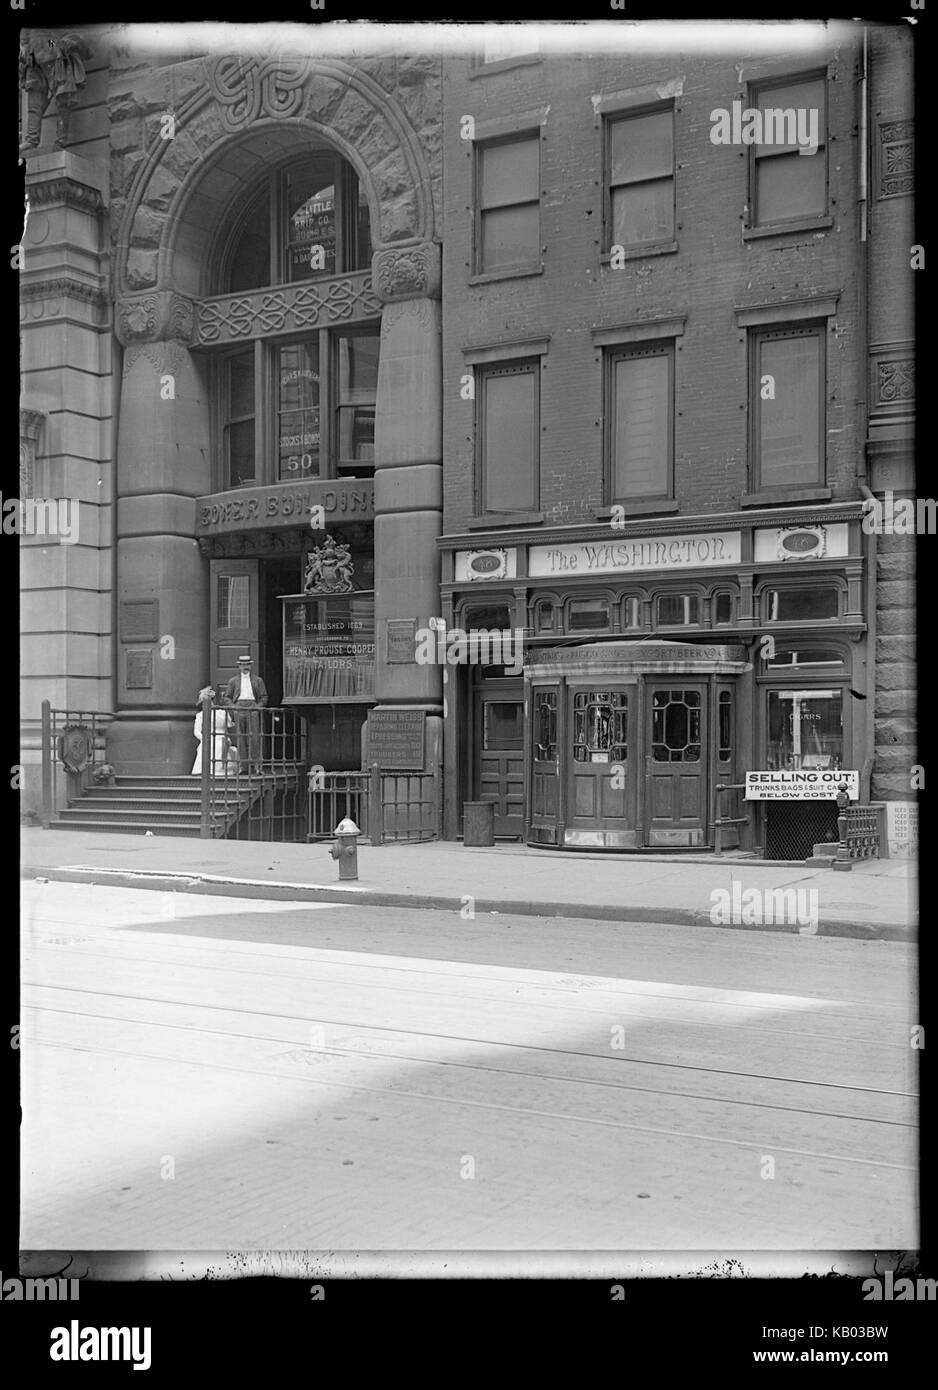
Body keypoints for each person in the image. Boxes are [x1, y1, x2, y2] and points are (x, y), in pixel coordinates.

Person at [223, 655, 268, 773]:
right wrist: (234, 707)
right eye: (243, 665)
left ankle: (257, 766)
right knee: (240, 738)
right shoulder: (233, 681)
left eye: (247, 664)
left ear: (250, 665)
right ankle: (243, 766)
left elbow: (264, 697)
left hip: (252, 708)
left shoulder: (258, 680)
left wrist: (257, 708)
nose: (245, 667)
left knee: (254, 738)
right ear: (239, 666)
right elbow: (227, 697)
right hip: (239, 708)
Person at [191, 687, 234, 775]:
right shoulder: (200, 715)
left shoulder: (222, 713)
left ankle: (220, 770)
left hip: (222, 736)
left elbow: (230, 725)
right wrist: (204, 738)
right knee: (206, 746)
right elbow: (196, 731)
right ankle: (205, 770)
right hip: (208, 737)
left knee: (220, 746)